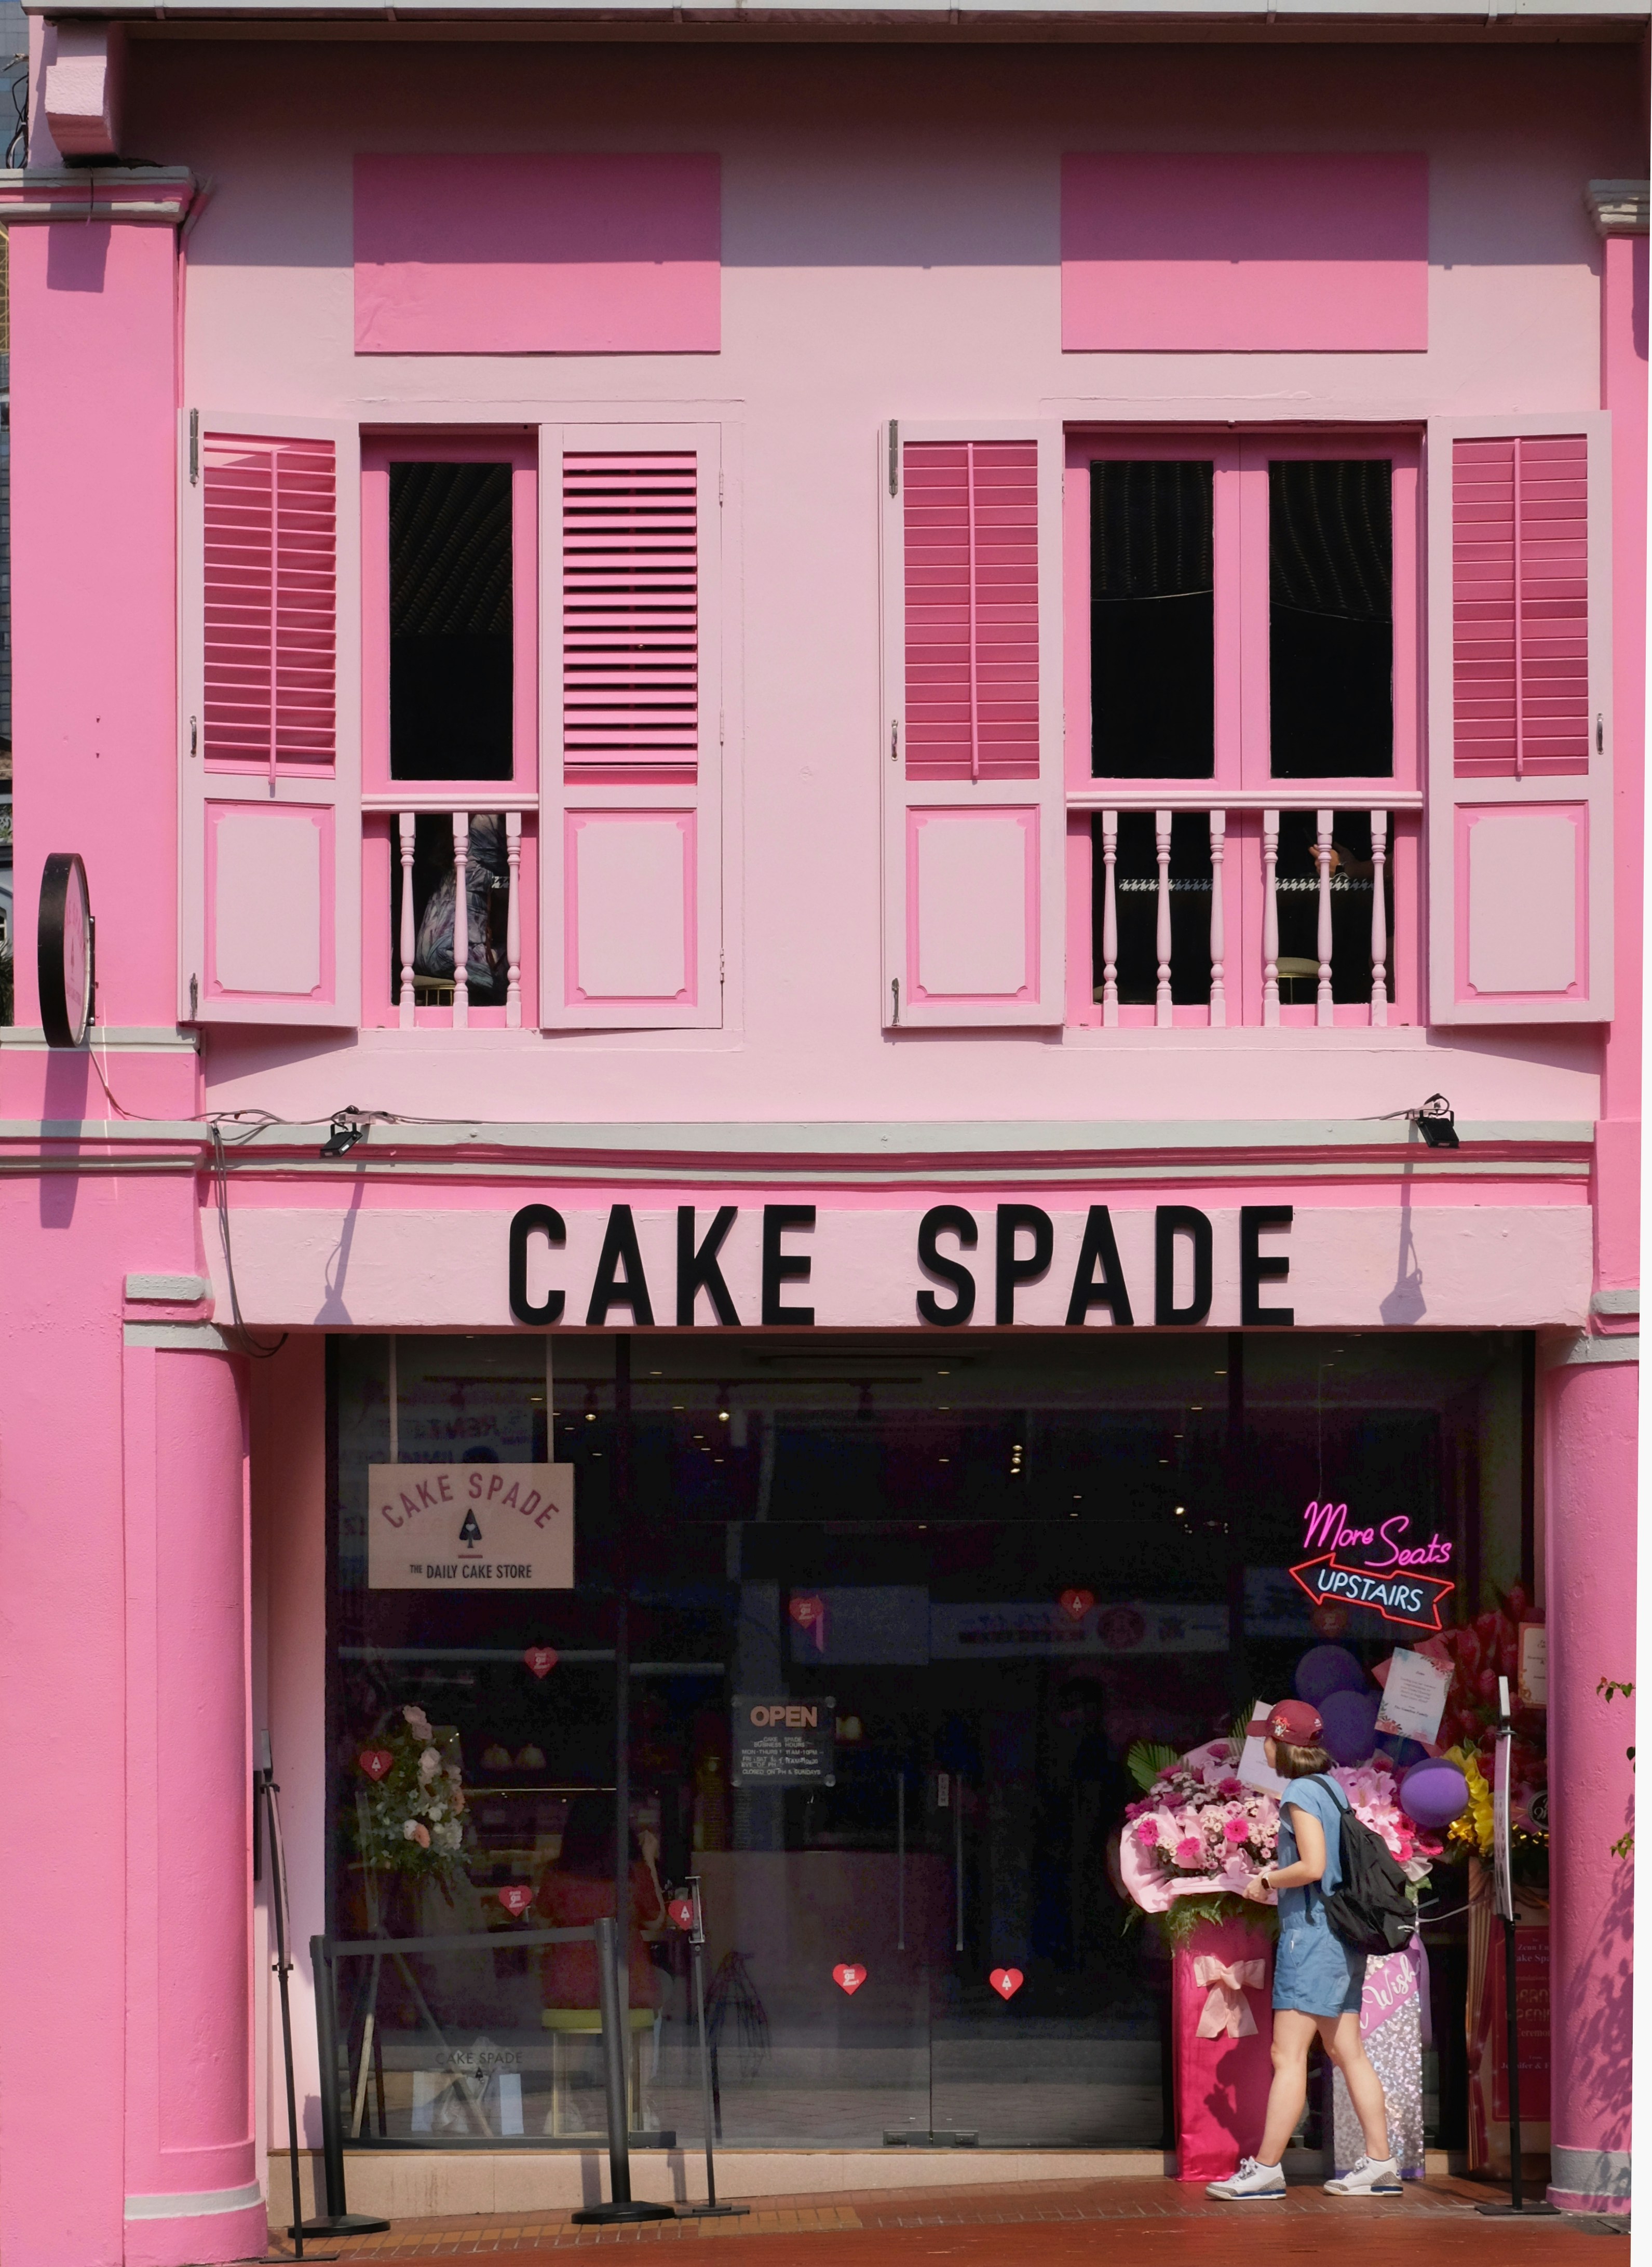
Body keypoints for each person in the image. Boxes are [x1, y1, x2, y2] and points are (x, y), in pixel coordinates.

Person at [1205, 1698, 1401, 2202]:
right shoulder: (1330, 1787)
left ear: (1280, 1742)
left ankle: (1265, 2168)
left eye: (1265, 1739)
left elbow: (1312, 1865)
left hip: (1312, 1937)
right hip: (1339, 1938)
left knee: (1286, 2054)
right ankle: (1380, 2163)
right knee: (1345, 2051)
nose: (1261, 1747)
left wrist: (1265, 1878)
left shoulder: (1298, 1793)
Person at [535, 1793, 668, 2011]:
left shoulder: (556, 1875)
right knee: (638, 2023)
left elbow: (541, 1923)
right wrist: (648, 1861)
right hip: (629, 1983)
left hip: (569, 1985)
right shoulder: (634, 1874)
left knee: (572, 2038)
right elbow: (656, 1921)